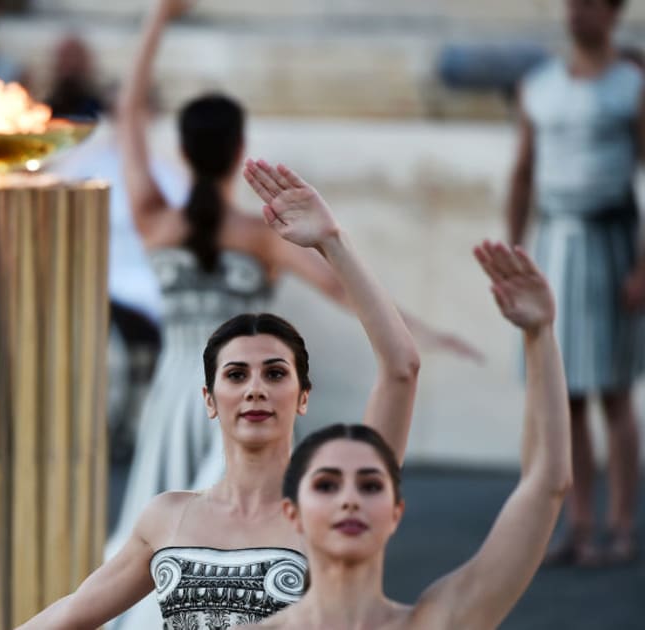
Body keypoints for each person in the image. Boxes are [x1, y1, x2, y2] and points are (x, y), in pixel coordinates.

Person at [105, 7, 479, 618]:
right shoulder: (259, 235)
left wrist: (156, 21)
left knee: (167, 536)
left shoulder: (154, 219)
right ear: (239, 151)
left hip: (182, 394)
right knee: (248, 528)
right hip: (247, 386)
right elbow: (340, 287)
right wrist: (423, 333)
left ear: (183, 150)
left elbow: (128, 116)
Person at [16, 154, 424, 630]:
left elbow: (401, 368)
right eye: (236, 375)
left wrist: (332, 242)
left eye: (275, 374)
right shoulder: (167, 517)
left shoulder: (334, 507)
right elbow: (70, 614)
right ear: (209, 400)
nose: (255, 389)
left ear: (303, 396)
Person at [252, 240, 571, 630]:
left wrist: (540, 336)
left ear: (395, 512)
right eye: (327, 485)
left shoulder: (439, 622)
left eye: (371, 486)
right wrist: (331, 240)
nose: (350, 500)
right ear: (293, 514)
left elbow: (546, 484)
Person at [507, 0, 644, 566]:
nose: (577, 13)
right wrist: (513, 257)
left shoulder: (632, 86)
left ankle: (622, 524)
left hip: (611, 241)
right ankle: (579, 522)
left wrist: (643, 265)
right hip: (553, 244)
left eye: (590, 3)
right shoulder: (539, 86)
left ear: (613, 12)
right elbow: (523, 174)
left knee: (614, 392)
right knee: (564, 395)